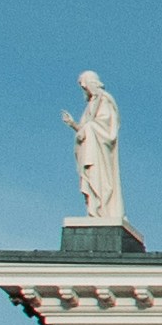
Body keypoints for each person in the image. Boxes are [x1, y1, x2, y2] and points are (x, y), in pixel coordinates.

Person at [63, 70, 123, 226]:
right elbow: (84, 131)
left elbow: (107, 127)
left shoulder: (105, 100)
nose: (84, 90)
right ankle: (94, 210)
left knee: (100, 180)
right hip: (91, 150)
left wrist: (88, 128)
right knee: (91, 180)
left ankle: (103, 210)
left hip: (99, 154)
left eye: (85, 86)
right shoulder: (91, 104)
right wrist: (73, 125)